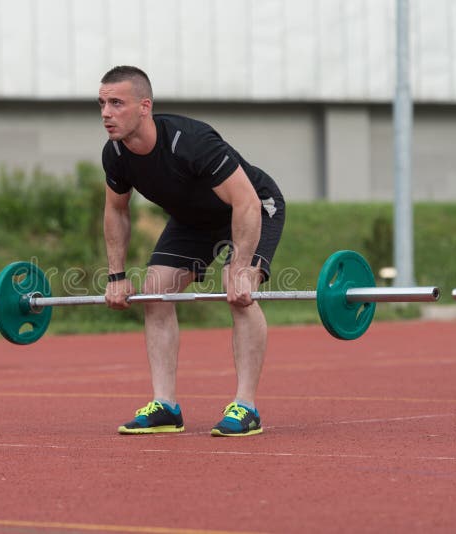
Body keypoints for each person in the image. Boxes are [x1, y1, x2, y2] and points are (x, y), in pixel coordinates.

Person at [98, 66, 285, 437]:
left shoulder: (191, 141)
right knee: (155, 293)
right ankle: (166, 406)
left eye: (116, 103)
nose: (106, 113)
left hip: (253, 206)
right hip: (194, 220)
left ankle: (245, 406)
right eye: (102, 103)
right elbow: (116, 211)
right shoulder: (116, 153)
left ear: (144, 107)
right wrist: (116, 276)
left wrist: (242, 268)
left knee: (238, 291)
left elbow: (246, 202)